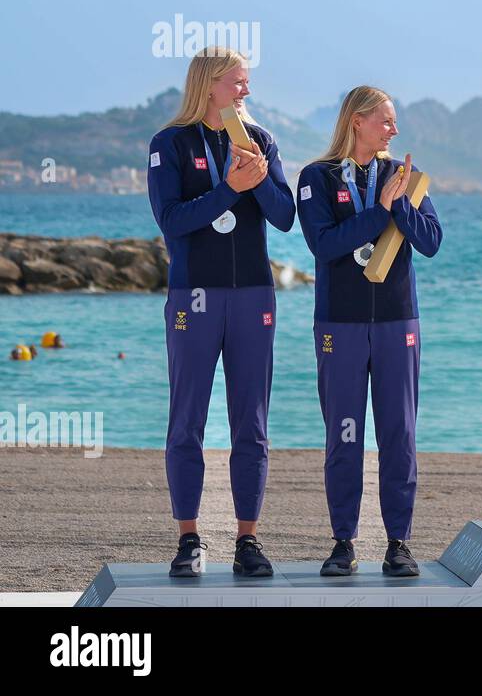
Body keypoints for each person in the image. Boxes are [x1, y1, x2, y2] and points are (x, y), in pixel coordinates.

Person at [147, 46, 295, 578]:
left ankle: (247, 540)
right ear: (209, 84)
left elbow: (284, 219)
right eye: (238, 82)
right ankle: (189, 539)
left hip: (254, 295)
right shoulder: (170, 143)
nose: (246, 91)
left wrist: (258, 180)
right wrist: (229, 189)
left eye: (247, 82)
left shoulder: (260, 142)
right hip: (194, 297)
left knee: (251, 424)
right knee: (187, 420)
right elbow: (172, 220)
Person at [297, 86, 443, 577]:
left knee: (399, 434)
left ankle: (398, 543)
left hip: (397, 322)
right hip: (340, 323)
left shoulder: (405, 179)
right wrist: (379, 211)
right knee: (345, 435)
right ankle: (343, 542)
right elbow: (324, 244)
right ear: (357, 121)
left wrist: (399, 206)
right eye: (385, 120)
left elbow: (430, 242)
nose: (393, 130)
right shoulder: (315, 178)